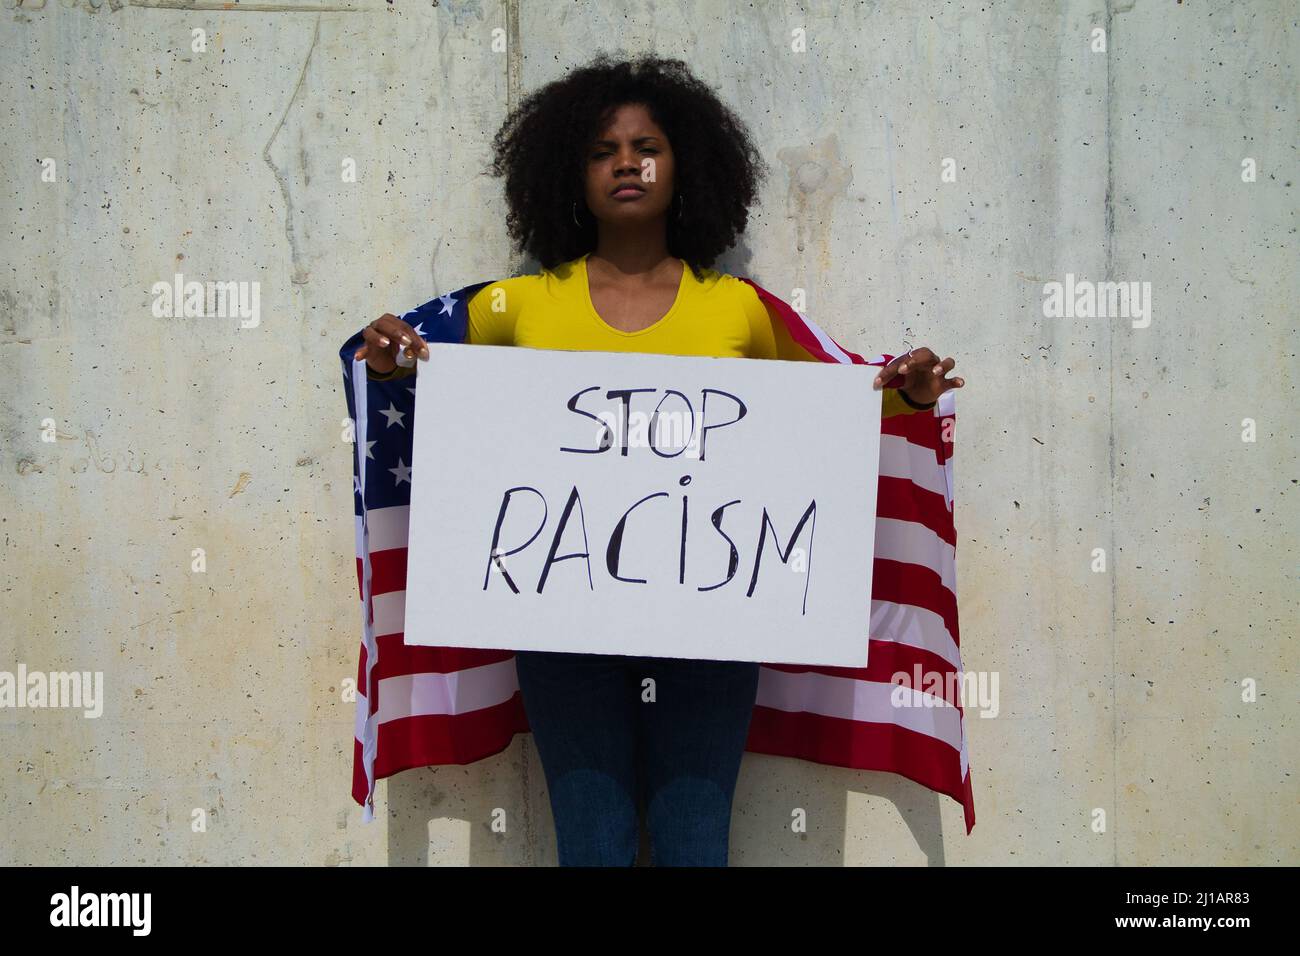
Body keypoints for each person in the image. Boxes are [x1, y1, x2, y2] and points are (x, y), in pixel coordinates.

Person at [352, 54, 964, 866]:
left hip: (713, 624)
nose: (626, 163)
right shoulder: (513, 306)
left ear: (688, 166)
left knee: (694, 842)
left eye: (648, 145)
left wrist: (910, 397)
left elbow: (837, 404)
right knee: (593, 844)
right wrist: (390, 364)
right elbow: (436, 383)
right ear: (568, 175)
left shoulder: (737, 309)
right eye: (601, 150)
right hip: (560, 622)